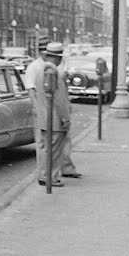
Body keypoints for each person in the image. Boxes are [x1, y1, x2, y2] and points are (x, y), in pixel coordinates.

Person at [33, 42, 76, 187]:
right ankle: (50, 177)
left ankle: (44, 175)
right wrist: (66, 119)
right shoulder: (54, 74)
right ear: (57, 58)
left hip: (44, 118)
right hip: (55, 119)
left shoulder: (41, 72)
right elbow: (60, 100)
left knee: (46, 149)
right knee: (55, 151)